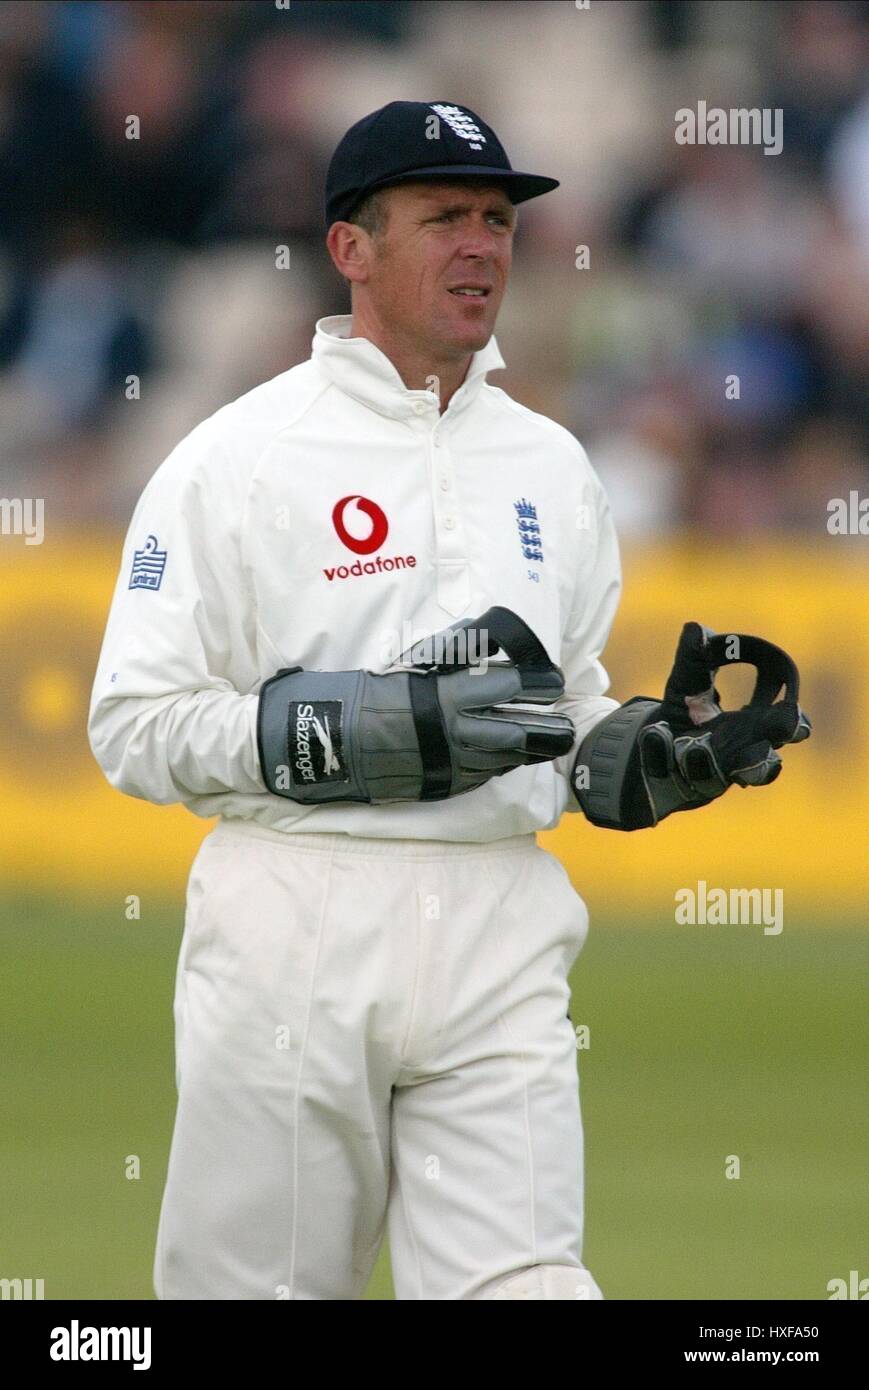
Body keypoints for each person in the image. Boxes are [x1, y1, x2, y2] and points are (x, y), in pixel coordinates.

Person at [88, 101, 809, 1301]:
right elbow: (132, 722)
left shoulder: (551, 466)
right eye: (441, 219)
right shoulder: (235, 457)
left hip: (499, 922)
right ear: (350, 249)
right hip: (292, 920)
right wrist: (341, 733)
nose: (480, 245)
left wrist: (646, 753)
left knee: (526, 1286)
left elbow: (559, 712)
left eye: (494, 219)